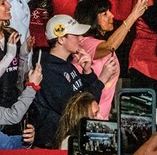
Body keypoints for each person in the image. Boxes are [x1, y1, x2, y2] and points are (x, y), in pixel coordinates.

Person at [32, 14, 109, 147]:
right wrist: (102, 79)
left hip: (66, 138)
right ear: (61, 39)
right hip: (53, 145)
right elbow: (78, 111)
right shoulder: (48, 72)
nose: (81, 38)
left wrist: (87, 72)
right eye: (76, 34)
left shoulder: (66, 65)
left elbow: (85, 98)